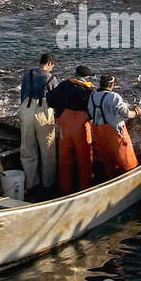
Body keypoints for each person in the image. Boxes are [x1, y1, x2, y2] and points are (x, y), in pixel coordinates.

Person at [48, 64, 96, 193]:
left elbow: (50, 100)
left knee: (64, 160)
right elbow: (93, 112)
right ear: (87, 77)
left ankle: (65, 189)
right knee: (85, 161)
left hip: (65, 128)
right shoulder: (90, 91)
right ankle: (85, 190)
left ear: (75, 74)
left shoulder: (64, 85)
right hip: (81, 130)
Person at [87, 74, 141, 180]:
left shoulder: (93, 97)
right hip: (116, 136)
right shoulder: (114, 97)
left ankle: (111, 181)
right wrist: (136, 111)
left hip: (100, 135)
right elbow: (127, 114)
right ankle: (131, 183)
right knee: (128, 164)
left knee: (108, 163)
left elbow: (90, 112)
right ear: (112, 85)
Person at [18, 53, 58, 192]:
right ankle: (48, 183)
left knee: (27, 148)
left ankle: (31, 183)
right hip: (43, 113)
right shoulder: (51, 78)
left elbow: (23, 95)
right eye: (52, 65)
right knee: (47, 150)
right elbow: (55, 100)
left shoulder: (28, 74)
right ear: (50, 63)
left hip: (27, 109)